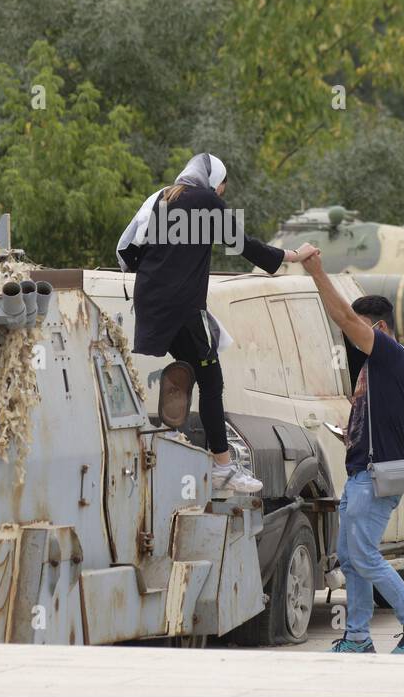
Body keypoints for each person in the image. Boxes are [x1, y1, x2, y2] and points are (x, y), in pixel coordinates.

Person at [117, 153, 316, 493]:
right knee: (212, 380)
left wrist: (158, 274)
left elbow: (126, 248)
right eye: (222, 188)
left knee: (193, 366)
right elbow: (244, 245)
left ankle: (177, 429)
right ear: (215, 182)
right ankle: (222, 465)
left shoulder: (160, 198)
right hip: (183, 305)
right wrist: (291, 255)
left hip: (151, 302)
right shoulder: (206, 200)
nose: (221, 195)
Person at [297, 244, 404, 655]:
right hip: (367, 472)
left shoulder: (389, 354)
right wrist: (359, 433)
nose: (350, 335)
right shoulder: (392, 368)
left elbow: (341, 315)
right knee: (351, 555)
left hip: (374, 478)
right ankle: (358, 636)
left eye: (357, 329)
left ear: (376, 328)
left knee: (363, 554)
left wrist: (316, 272)